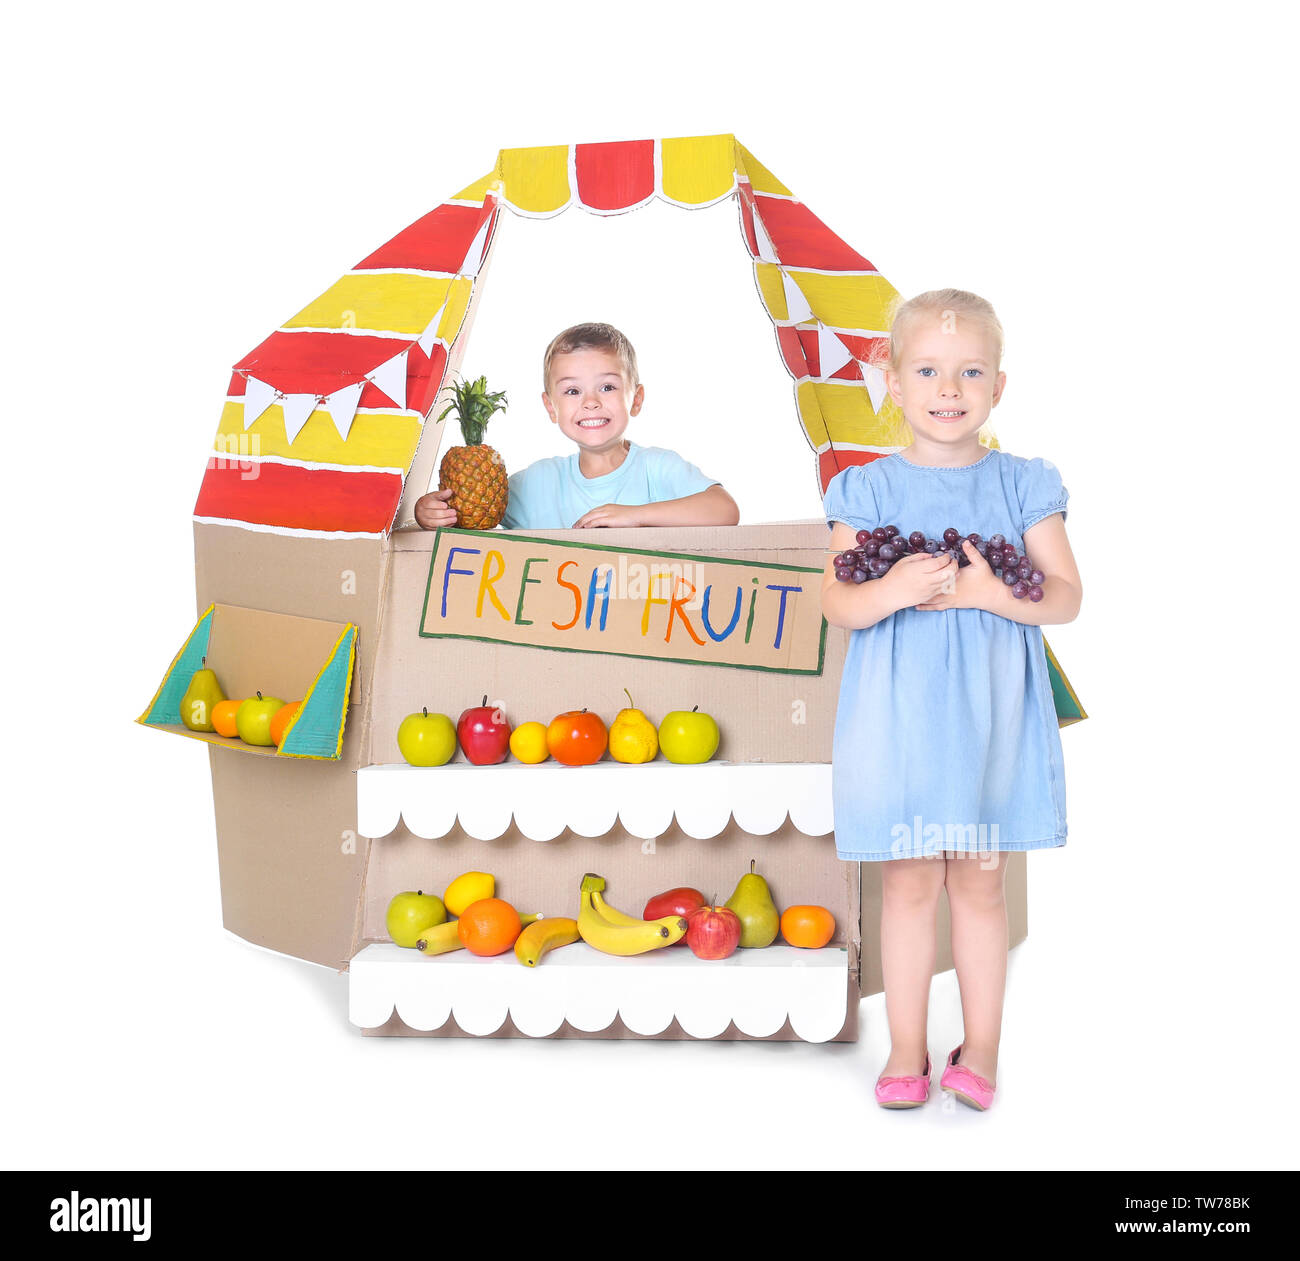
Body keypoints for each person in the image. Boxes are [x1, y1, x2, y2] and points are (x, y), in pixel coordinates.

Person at [820, 289, 1082, 1111]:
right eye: (929, 370)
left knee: (979, 883)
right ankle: (906, 1045)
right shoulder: (867, 490)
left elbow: (1066, 596)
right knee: (906, 885)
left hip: (988, 724)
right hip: (899, 722)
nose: (949, 388)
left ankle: (984, 1045)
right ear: (894, 384)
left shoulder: (1021, 484)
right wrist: (893, 587)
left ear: (997, 386)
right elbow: (837, 603)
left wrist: (989, 592)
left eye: (970, 371)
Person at [414, 322, 739, 530]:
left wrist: (634, 515)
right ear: (551, 407)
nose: (591, 401)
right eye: (572, 391)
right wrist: (429, 512)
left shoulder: (656, 468)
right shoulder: (536, 483)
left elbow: (725, 510)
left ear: (636, 399)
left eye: (607, 387)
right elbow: (470, 514)